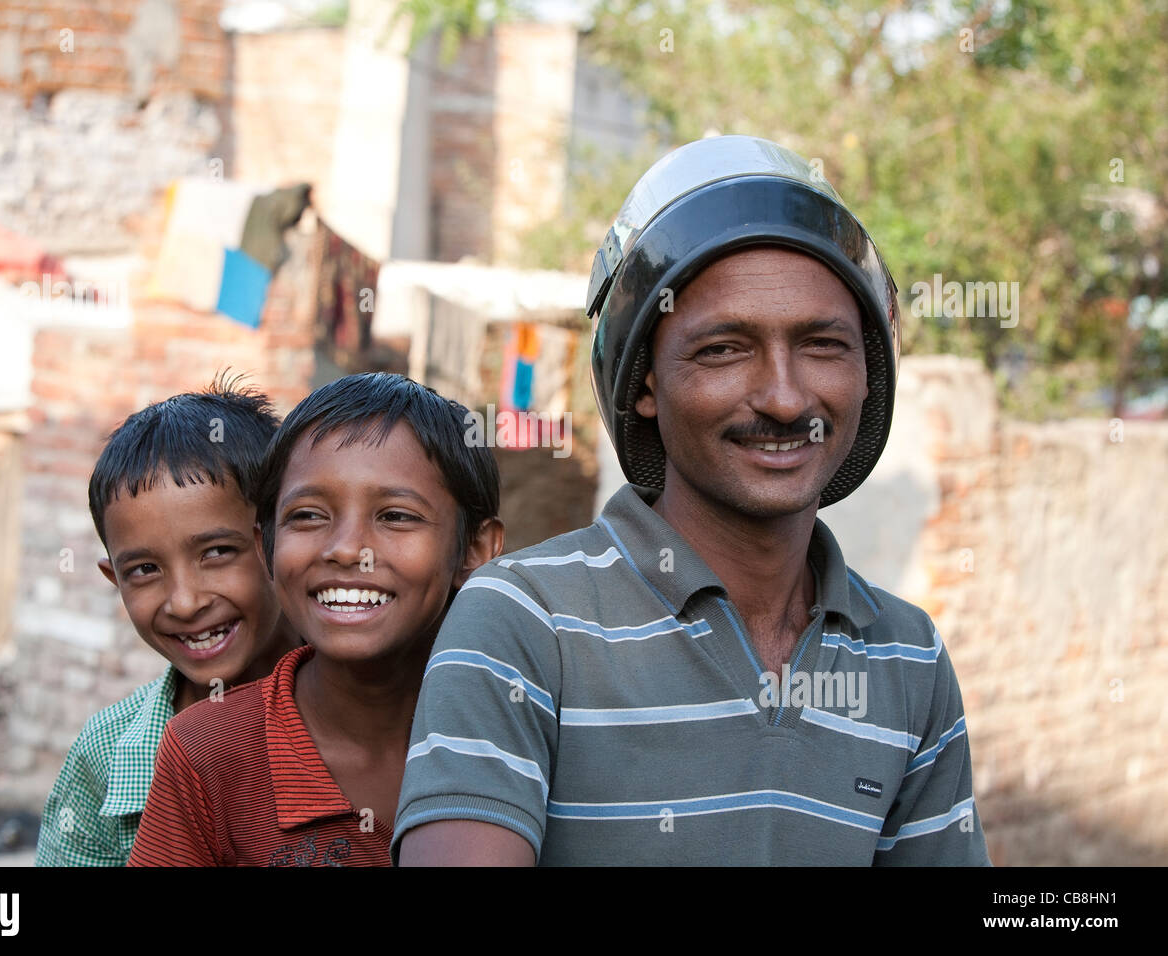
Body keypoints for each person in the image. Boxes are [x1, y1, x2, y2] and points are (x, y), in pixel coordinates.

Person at [394, 135, 992, 866]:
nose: (783, 396)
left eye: (823, 345)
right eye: (724, 349)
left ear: (868, 375)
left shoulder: (908, 657)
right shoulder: (521, 626)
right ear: (644, 383)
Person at [127, 373, 503, 866]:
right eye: (307, 516)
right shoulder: (206, 752)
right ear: (266, 546)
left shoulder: (522, 731)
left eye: (395, 516)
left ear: (475, 549)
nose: (346, 548)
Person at [35, 374, 300, 866]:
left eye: (218, 552)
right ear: (113, 579)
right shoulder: (108, 755)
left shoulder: (369, 713)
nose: (183, 602)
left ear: (281, 541)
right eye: (145, 570)